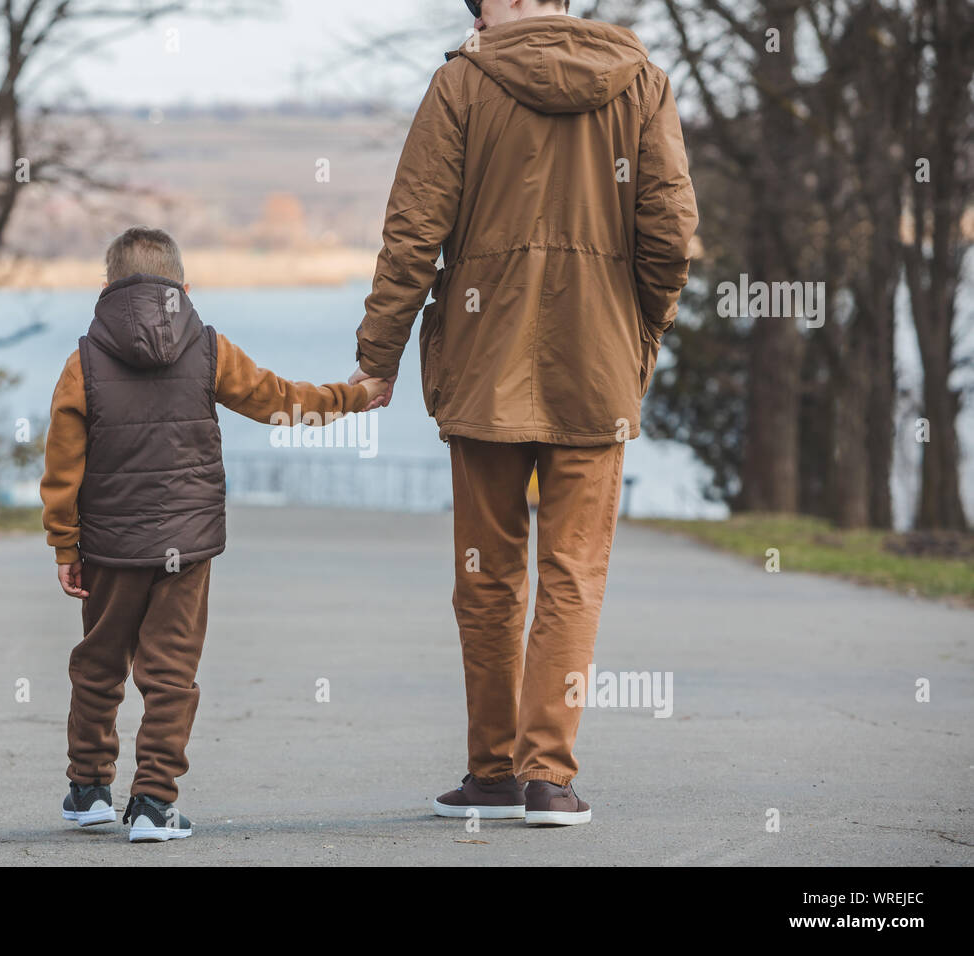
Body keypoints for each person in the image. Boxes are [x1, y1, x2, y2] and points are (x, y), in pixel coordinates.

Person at [351, 0, 698, 825]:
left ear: (492, 9)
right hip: (596, 366)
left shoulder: (460, 86)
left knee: (487, 578)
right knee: (573, 575)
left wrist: (378, 356)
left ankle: (494, 774)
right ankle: (550, 778)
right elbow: (672, 235)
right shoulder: (642, 83)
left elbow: (412, 233)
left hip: (482, 364)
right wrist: (637, 330)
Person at [41, 226, 386, 842]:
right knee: (170, 672)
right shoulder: (209, 349)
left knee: (98, 665)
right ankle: (152, 805)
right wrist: (353, 397)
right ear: (185, 288)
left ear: (106, 288)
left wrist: (66, 546)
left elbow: (62, 467)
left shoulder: (82, 362)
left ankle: (89, 789)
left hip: (111, 549)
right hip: (187, 547)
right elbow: (280, 402)